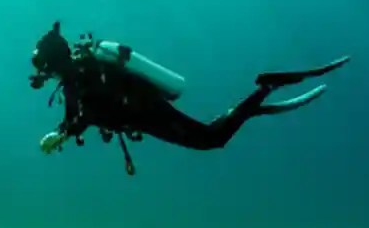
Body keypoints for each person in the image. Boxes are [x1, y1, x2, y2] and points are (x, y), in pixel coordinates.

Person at [28, 21, 348, 175]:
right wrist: (63, 133)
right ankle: (256, 103)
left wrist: (63, 135)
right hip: (142, 113)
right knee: (211, 136)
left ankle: (264, 89)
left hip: (146, 112)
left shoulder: (79, 75)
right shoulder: (77, 73)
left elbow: (89, 113)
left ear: (54, 63)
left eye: (45, 69)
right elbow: (78, 115)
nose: (46, 76)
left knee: (211, 139)